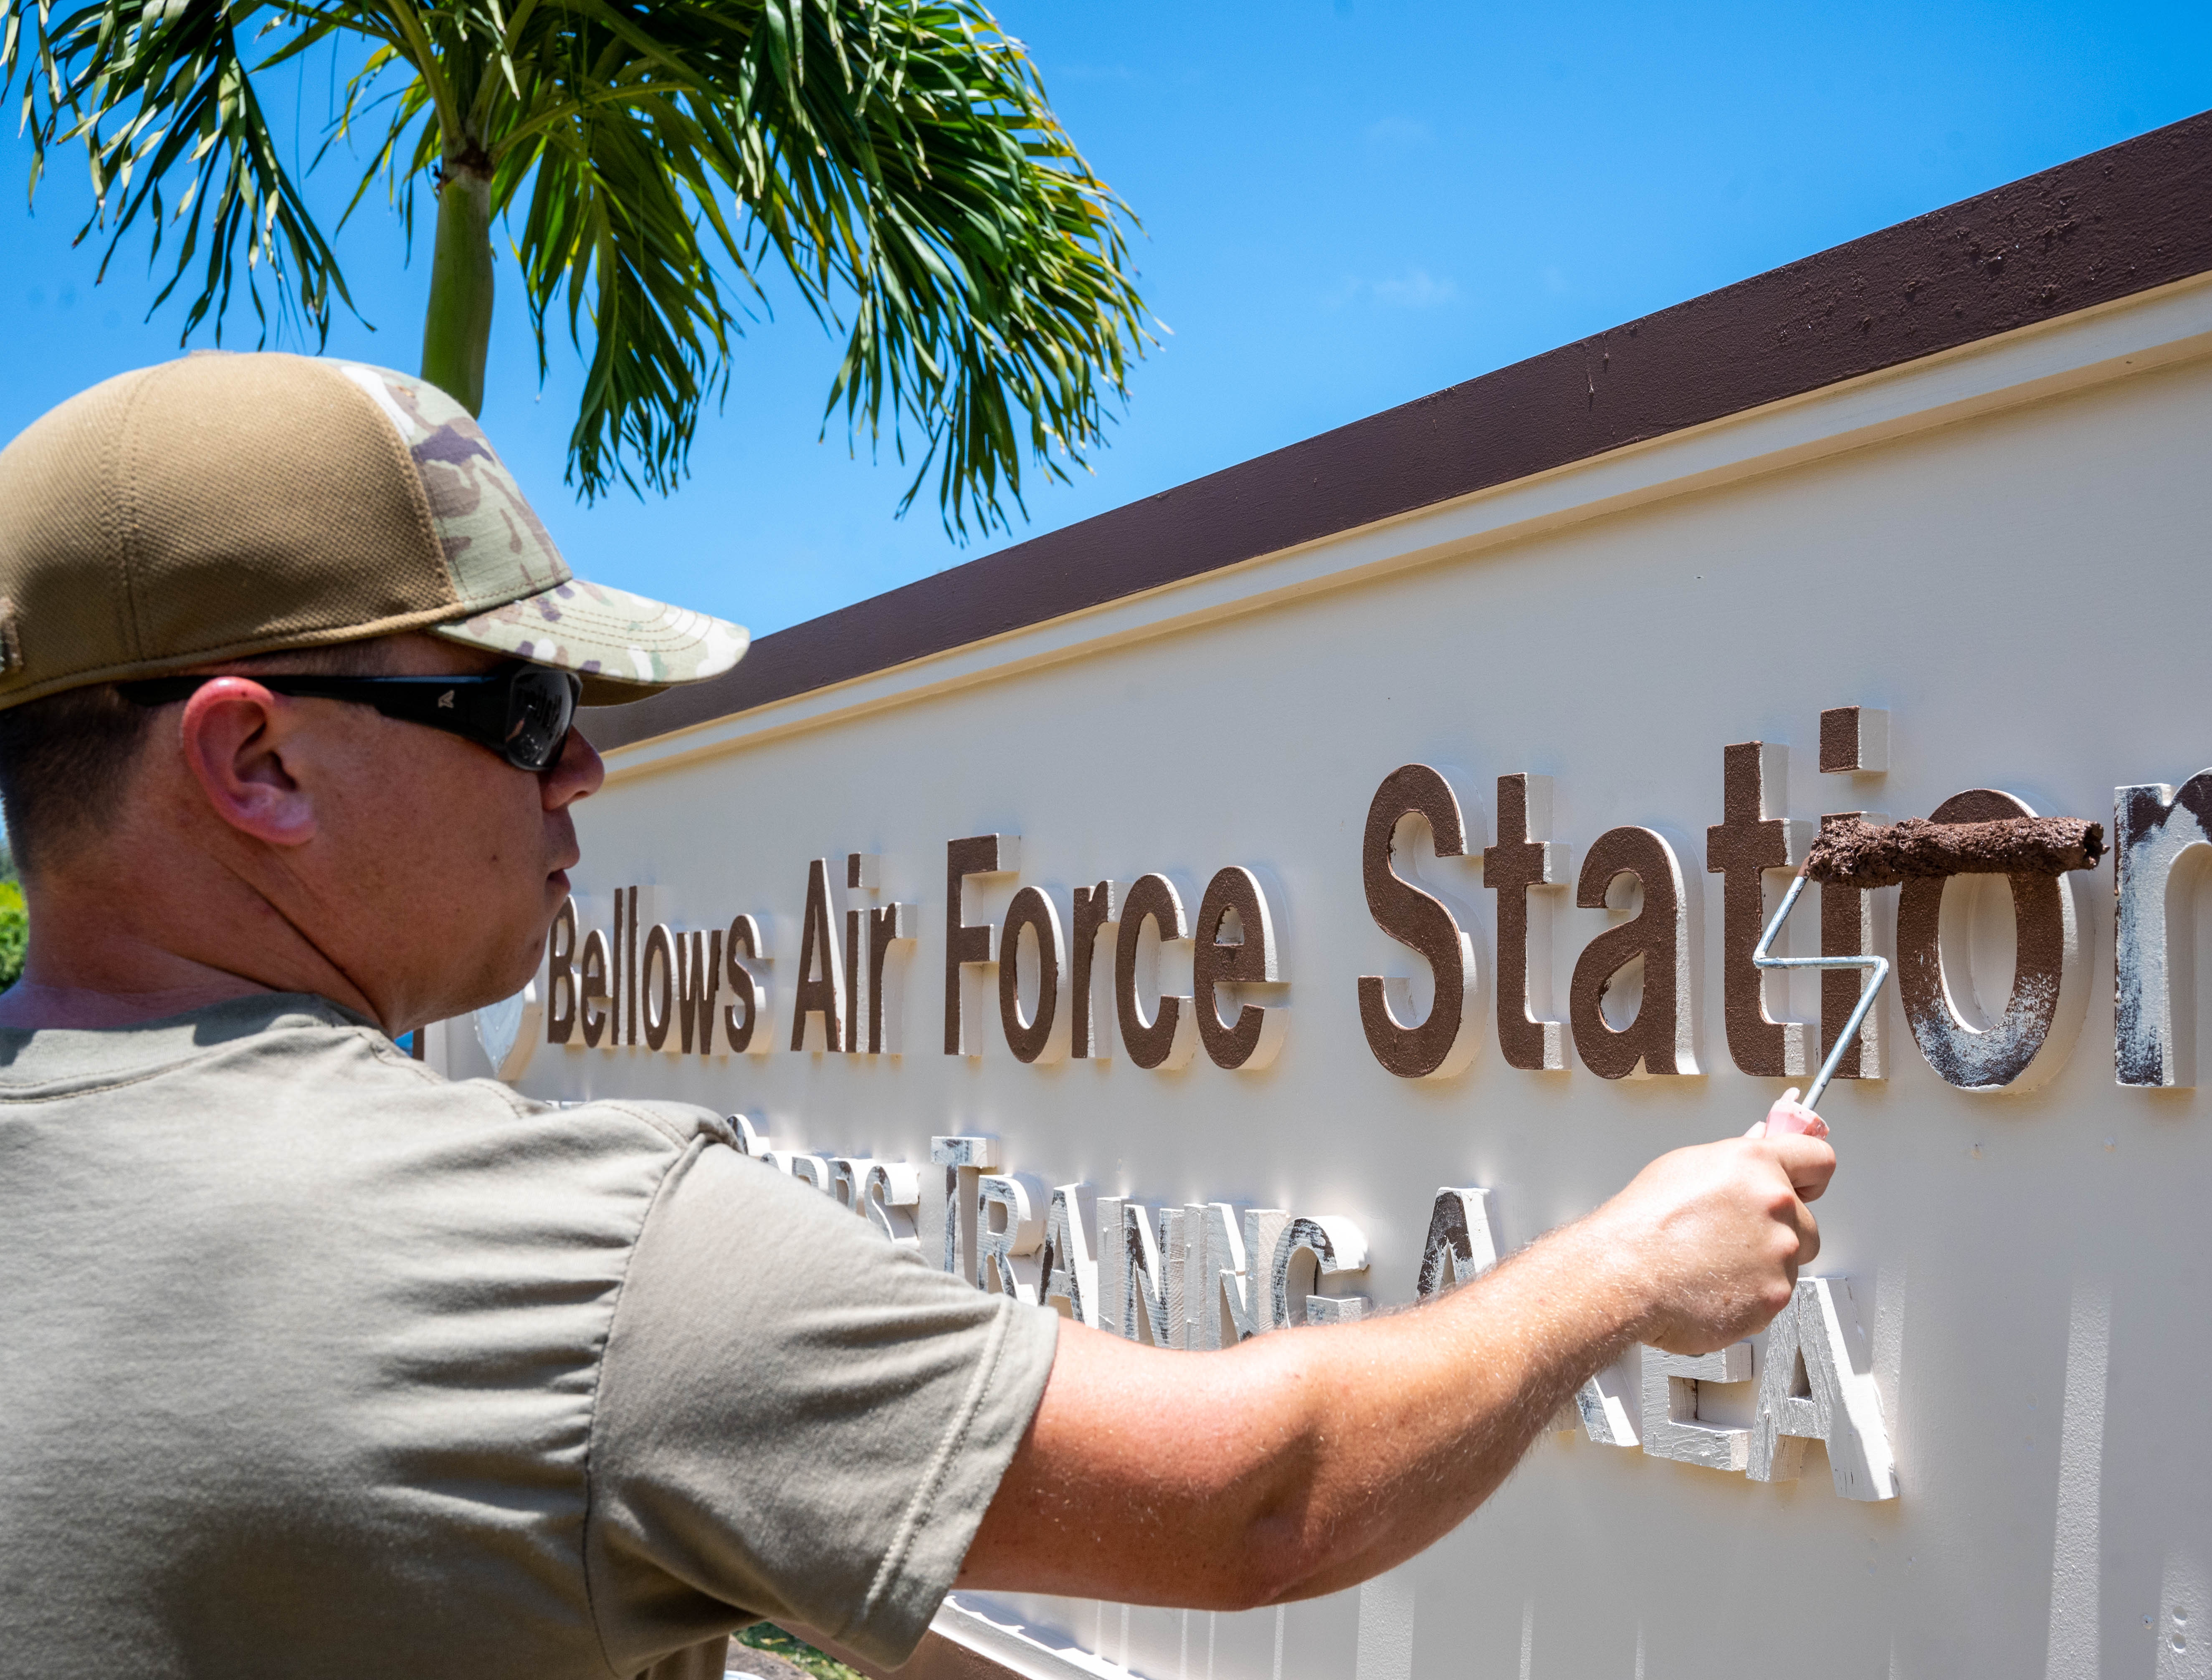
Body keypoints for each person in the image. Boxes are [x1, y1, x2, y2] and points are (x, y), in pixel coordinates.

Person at [0, 354, 1834, 1678]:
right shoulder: (580, 1265)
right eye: (515, 716)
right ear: (256, 761)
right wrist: (1627, 1271)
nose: (580, 776)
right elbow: (1258, 1501)